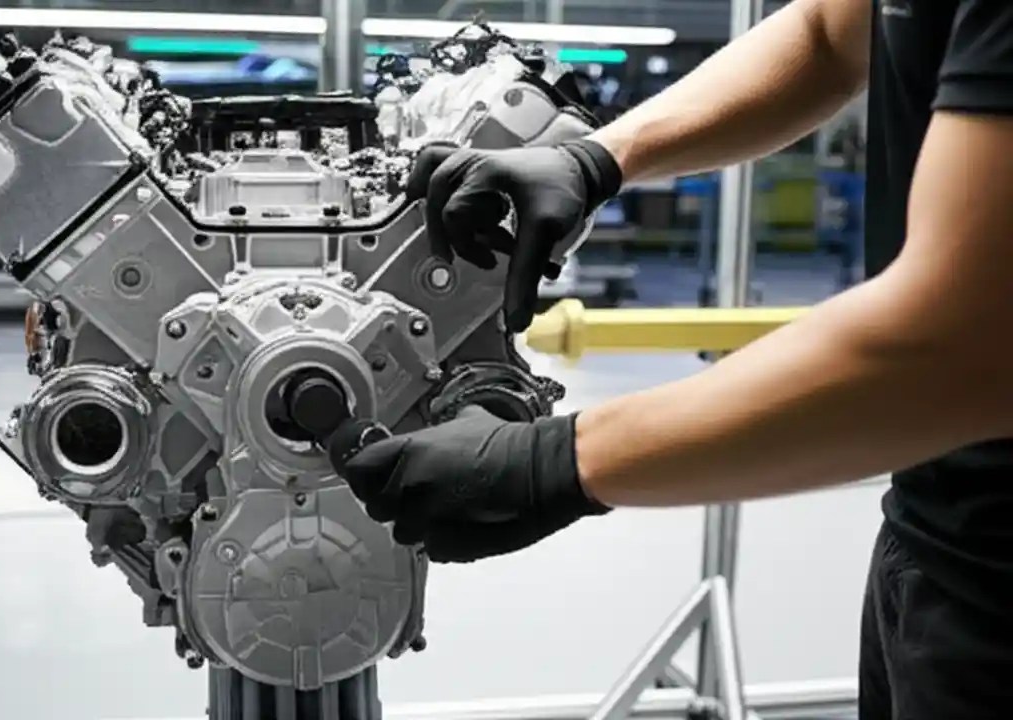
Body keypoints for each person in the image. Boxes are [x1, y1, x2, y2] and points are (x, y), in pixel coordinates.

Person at [334, 1, 1013, 717]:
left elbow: (969, 342)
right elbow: (830, 33)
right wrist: (595, 159)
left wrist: (555, 462)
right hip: (929, 533)